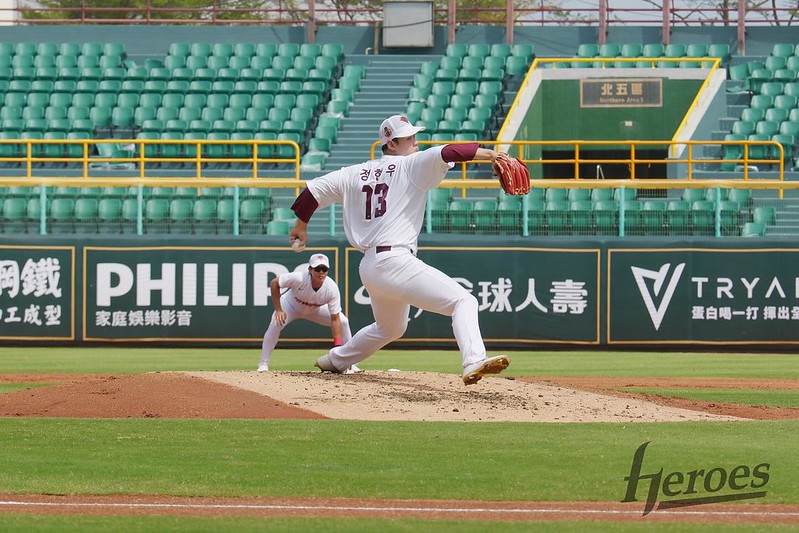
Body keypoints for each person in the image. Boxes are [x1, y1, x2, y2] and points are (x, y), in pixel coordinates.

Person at [287, 114, 510, 385]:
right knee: (464, 301)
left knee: (390, 328)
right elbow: (449, 151)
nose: (415, 142)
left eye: (414, 136)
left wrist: (301, 225)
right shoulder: (410, 164)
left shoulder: (353, 173)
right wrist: (492, 155)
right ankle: (473, 360)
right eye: (408, 138)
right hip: (395, 260)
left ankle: (336, 359)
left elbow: (311, 192)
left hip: (370, 266)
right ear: (391, 144)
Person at [258, 253, 360, 374]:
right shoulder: (299, 278)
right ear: (310, 269)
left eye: (324, 269)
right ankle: (263, 363)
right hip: (291, 305)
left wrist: (337, 346)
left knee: (343, 321)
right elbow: (274, 283)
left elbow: (335, 318)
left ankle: (350, 363)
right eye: (317, 269)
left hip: (315, 310)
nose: (321, 272)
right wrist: (278, 309)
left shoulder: (331, 288)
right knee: (276, 322)